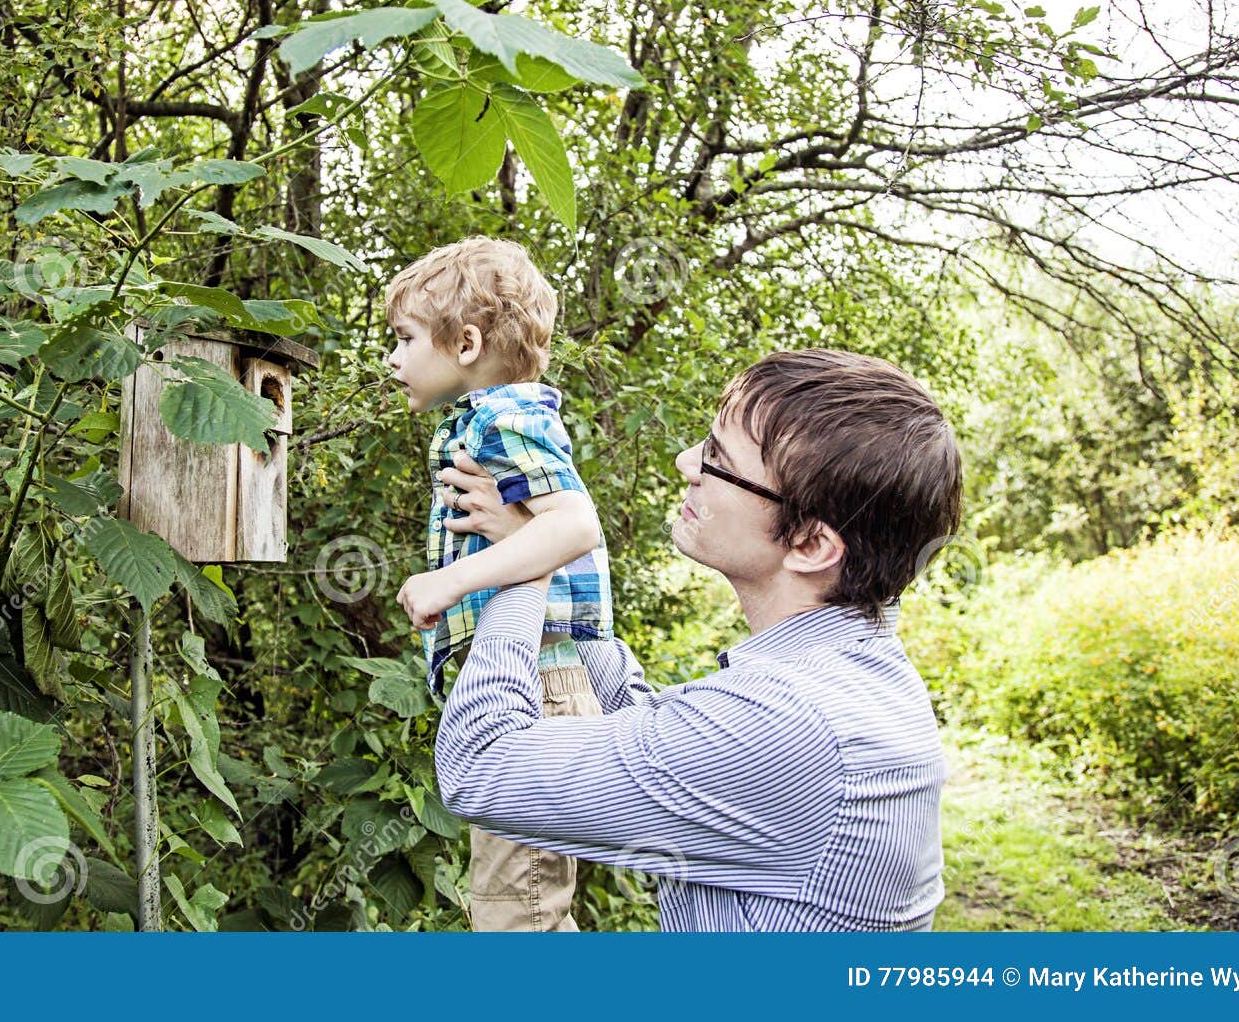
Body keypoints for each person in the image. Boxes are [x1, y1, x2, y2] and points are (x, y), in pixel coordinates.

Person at [433, 349, 962, 930]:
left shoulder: (787, 722)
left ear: (811, 545)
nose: (687, 462)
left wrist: (521, 566)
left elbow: (477, 767)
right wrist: (551, 547)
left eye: (717, 458)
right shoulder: (854, 676)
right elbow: (659, 737)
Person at [384, 235, 615, 931]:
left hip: (539, 690)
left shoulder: (502, 420)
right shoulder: (491, 420)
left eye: (405, 338)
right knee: (524, 904)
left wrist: (450, 581)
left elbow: (576, 524)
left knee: (518, 912)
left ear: (466, 343)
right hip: (531, 681)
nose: (392, 358)